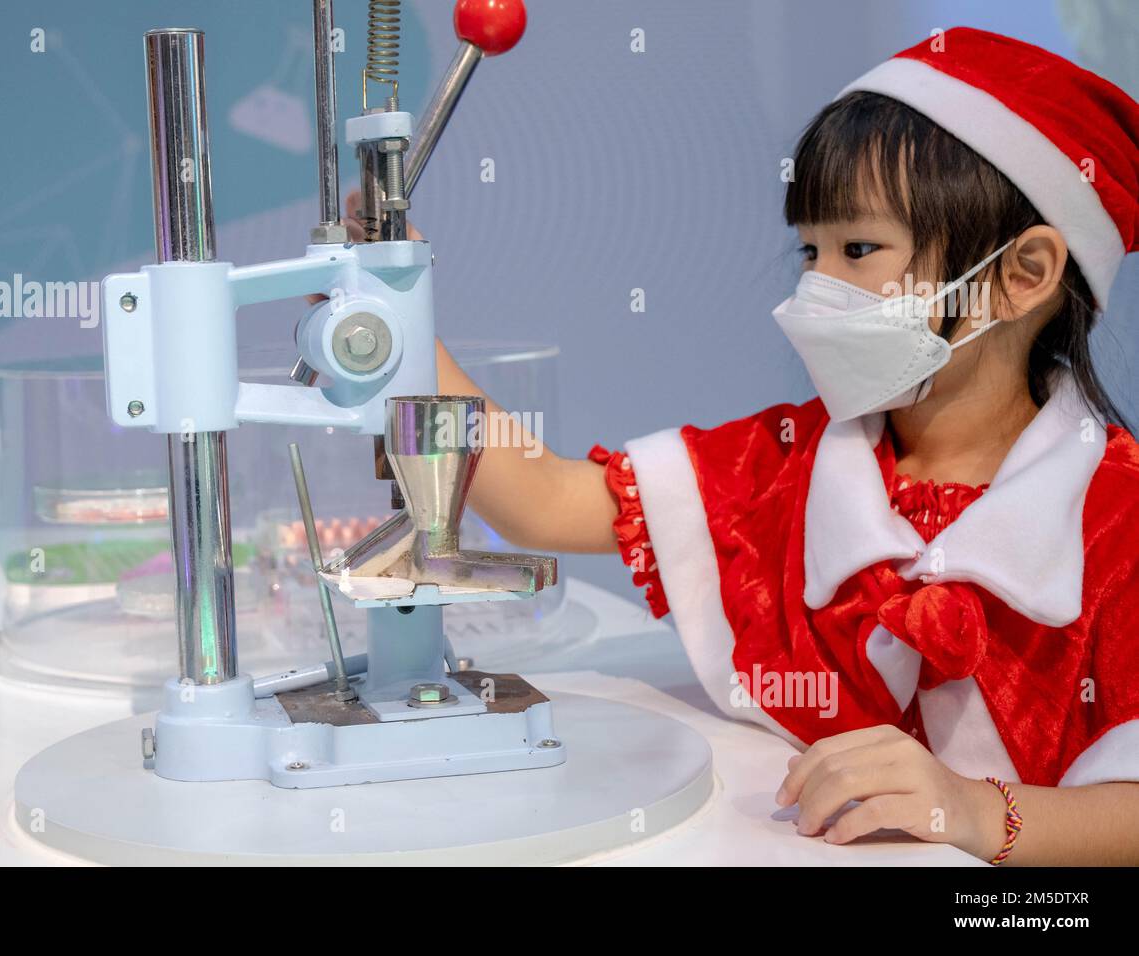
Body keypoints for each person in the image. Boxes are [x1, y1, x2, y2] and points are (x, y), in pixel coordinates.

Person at [333, 28, 1139, 864]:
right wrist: (398, 318)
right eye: (811, 252)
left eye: (858, 251)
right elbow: (540, 499)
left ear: (1024, 274)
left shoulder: (1121, 522)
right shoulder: (781, 466)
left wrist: (975, 811)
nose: (815, 289)